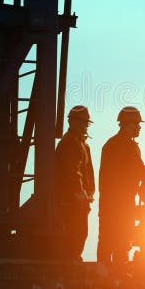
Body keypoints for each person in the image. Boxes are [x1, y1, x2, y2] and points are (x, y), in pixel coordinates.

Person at [97, 106, 145, 275]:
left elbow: (125, 171)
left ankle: (103, 275)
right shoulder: (127, 146)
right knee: (121, 237)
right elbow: (132, 172)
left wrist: (144, 171)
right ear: (126, 125)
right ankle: (118, 274)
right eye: (136, 124)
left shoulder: (110, 144)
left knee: (108, 238)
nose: (139, 127)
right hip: (122, 202)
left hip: (110, 202)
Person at [54, 105, 95, 260]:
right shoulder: (70, 143)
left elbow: (85, 171)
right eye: (82, 122)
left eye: (86, 123)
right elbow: (72, 170)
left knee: (79, 231)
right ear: (72, 122)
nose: (85, 126)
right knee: (77, 231)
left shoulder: (82, 144)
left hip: (79, 198)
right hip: (71, 199)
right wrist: (80, 192)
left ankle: (72, 257)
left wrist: (88, 192)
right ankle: (71, 259)